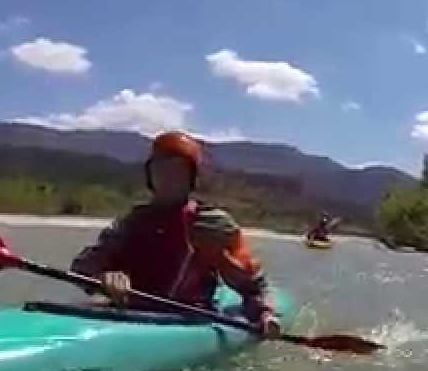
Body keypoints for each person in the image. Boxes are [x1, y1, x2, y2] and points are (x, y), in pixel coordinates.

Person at [70, 131, 282, 336]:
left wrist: (265, 314)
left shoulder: (212, 223)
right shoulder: (130, 222)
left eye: (177, 170)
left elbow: (255, 288)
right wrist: (104, 277)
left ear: (192, 178)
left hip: (188, 317)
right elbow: (80, 270)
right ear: (150, 176)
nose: (168, 178)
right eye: (160, 170)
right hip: (132, 313)